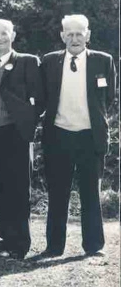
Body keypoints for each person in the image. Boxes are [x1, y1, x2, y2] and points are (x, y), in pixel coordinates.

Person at [39, 15, 116, 258]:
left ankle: (93, 246)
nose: (74, 38)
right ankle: (54, 247)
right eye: (69, 33)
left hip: (90, 137)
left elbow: (109, 98)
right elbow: (43, 97)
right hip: (58, 136)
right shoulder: (50, 61)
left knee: (90, 193)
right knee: (58, 193)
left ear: (88, 35)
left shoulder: (104, 61)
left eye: (79, 33)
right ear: (62, 36)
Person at [0, 19, 43, 260]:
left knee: (18, 189)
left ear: (13, 35)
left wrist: (26, 123)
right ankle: (5, 238)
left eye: (4, 33)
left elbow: (40, 99)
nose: (0, 38)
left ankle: (21, 243)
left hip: (15, 135)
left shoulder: (27, 62)